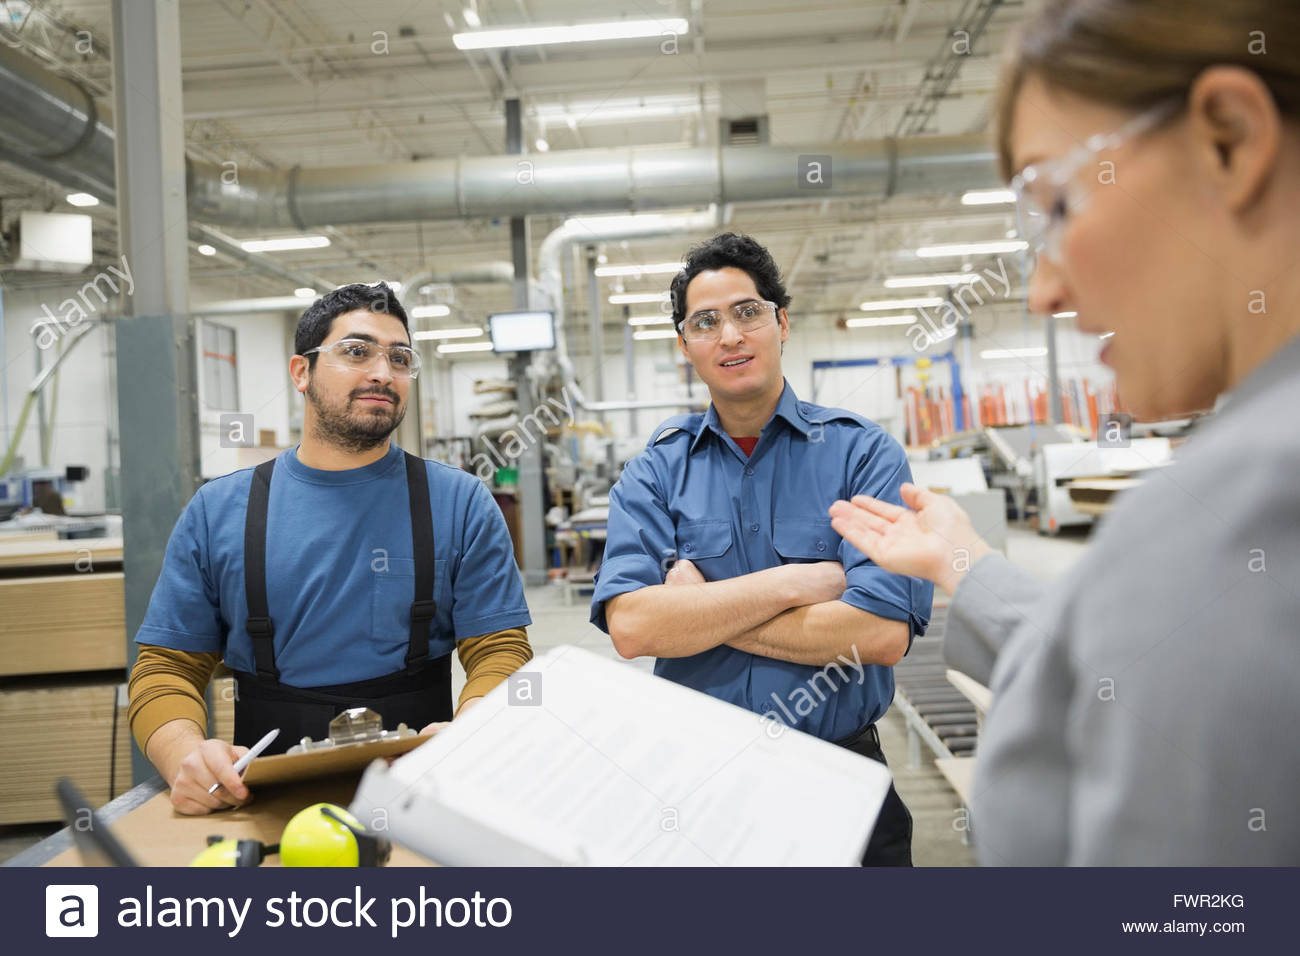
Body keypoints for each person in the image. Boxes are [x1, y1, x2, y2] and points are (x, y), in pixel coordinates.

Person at [829, 0, 1300, 864]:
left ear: (1228, 139)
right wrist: (965, 569)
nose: (1044, 291)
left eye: (1056, 205)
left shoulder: (1247, 506)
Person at [591, 233, 933, 866]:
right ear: (684, 345)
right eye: (706, 322)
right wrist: (793, 586)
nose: (730, 336)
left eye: (747, 313)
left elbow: (881, 634)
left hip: (843, 779)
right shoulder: (655, 473)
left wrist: (701, 616)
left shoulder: (862, 455)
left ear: (781, 323)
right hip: (701, 788)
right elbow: (634, 628)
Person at [128, 282, 533, 815]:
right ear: (302, 372)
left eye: (400, 357)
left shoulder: (460, 502)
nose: (383, 373)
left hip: (420, 787)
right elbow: (166, 668)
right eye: (357, 351)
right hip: (258, 796)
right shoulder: (218, 511)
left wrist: (473, 725)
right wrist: (186, 755)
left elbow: (500, 649)